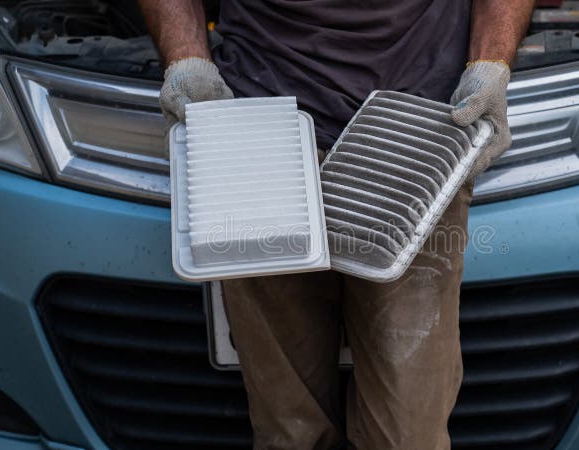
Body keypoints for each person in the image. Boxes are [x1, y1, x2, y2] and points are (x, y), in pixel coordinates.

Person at [139, 1, 535, 448]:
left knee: (408, 437)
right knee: (291, 433)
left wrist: (490, 62)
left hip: (414, 136)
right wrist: (186, 57)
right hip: (261, 140)